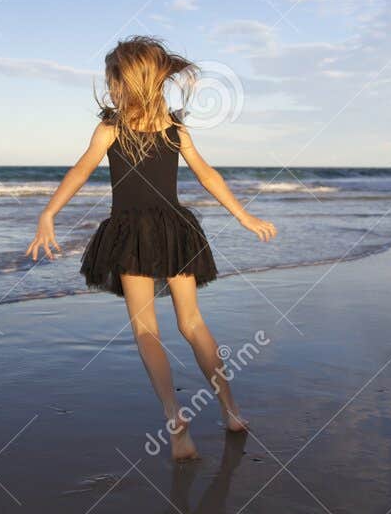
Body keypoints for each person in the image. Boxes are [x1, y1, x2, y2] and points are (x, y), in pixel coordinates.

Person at [26, 37, 276, 460]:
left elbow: (81, 169)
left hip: (131, 236)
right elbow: (208, 176)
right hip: (175, 230)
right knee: (193, 323)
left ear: (127, 81)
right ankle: (231, 411)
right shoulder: (175, 129)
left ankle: (174, 419)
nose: (110, 86)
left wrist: (49, 213)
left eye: (113, 79)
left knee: (146, 331)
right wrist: (244, 216)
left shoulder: (110, 128)